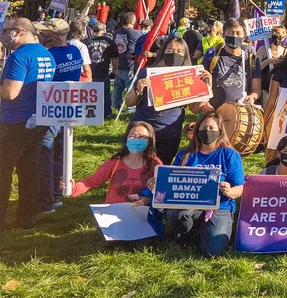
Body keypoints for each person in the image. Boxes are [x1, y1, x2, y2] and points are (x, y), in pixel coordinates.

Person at [0, 17, 55, 233]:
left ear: (19, 31)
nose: (3, 35)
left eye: (5, 30)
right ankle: (27, 217)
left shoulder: (19, 56)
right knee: (29, 168)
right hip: (38, 118)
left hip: (14, 120)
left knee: (3, 170)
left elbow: (10, 93)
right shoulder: (46, 54)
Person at [167, 111, 245, 257]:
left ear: (220, 131)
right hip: (189, 203)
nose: (207, 131)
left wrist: (229, 191)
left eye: (211, 128)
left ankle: (201, 232)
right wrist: (158, 185)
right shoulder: (185, 154)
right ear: (197, 130)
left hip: (220, 206)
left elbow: (239, 188)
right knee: (176, 214)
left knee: (213, 252)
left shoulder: (229, 154)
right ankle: (187, 233)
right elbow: (171, 181)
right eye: (203, 128)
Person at [127, 36, 213, 165]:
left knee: (161, 167)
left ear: (185, 55)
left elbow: (195, 109)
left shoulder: (190, 77)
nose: (174, 54)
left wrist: (206, 88)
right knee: (137, 167)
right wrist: (137, 89)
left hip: (170, 133)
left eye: (179, 51)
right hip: (143, 130)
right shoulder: (148, 73)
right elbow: (129, 102)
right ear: (163, 52)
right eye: (169, 50)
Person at [36, 18, 88, 214]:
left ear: (54, 36)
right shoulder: (74, 50)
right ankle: (58, 192)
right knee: (60, 151)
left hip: (50, 107)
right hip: (68, 107)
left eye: (44, 33)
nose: (40, 36)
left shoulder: (48, 54)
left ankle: (47, 198)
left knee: (46, 152)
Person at [65, 121, 161, 203]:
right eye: (132, 136)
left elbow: (163, 190)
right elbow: (92, 181)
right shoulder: (115, 162)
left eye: (141, 137)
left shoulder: (154, 163)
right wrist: (73, 188)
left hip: (142, 214)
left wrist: (147, 201)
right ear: (126, 138)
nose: (136, 139)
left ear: (149, 141)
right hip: (112, 211)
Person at [202, 18, 261, 111]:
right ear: (223, 35)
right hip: (215, 112)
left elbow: (256, 89)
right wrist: (206, 104)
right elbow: (201, 83)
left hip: (240, 113)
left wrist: (252, 97)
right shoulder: (212, 56)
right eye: (230, 32)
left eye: (238, 33)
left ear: (244, 36)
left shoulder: (251, 59)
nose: (234, 36)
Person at [84, 21, 119, 119]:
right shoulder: (109, 42)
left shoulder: (86, 41)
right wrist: (114, 71)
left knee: (89, 94)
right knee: (105, 93)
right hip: (103, 72)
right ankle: (107, 113)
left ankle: (90, 113)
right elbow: (115, 58)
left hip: (89, 72)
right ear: (104, 30)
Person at [112, 12, 143, 112]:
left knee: (117, 87)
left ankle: (116, 105)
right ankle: (130, 107)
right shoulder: (136, 33)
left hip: (118, 63)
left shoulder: (116, 32)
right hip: (130, 64)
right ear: (132, 21)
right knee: (131, 87)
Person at [256, 26, 287, 103]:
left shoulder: (286, 52)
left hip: (279, 87)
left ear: (283, 38)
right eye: (274, 37)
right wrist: (269, 61)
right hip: (264, 87)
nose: (277, 39)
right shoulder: (263, 49)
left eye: (279, 37)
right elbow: (256, 68)